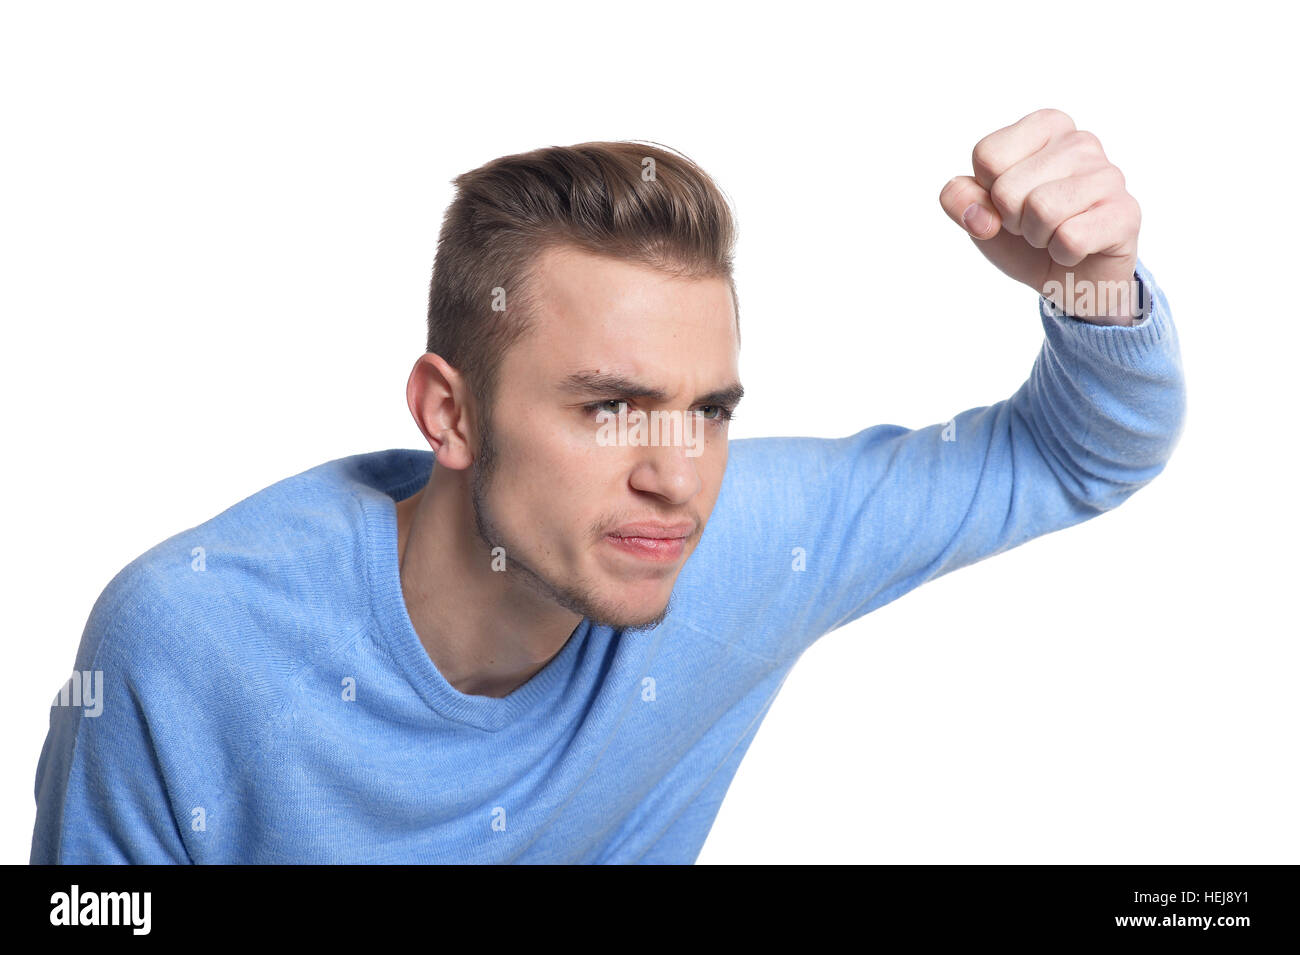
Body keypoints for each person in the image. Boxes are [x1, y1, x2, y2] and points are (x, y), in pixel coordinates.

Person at [31, 108, 1185, 863]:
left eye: (709, 410)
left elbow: (1075, 453)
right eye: (608, 407)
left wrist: (1094, 286)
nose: (674, 474)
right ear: (450, 412)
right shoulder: (193, 637)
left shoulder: (733, 543)